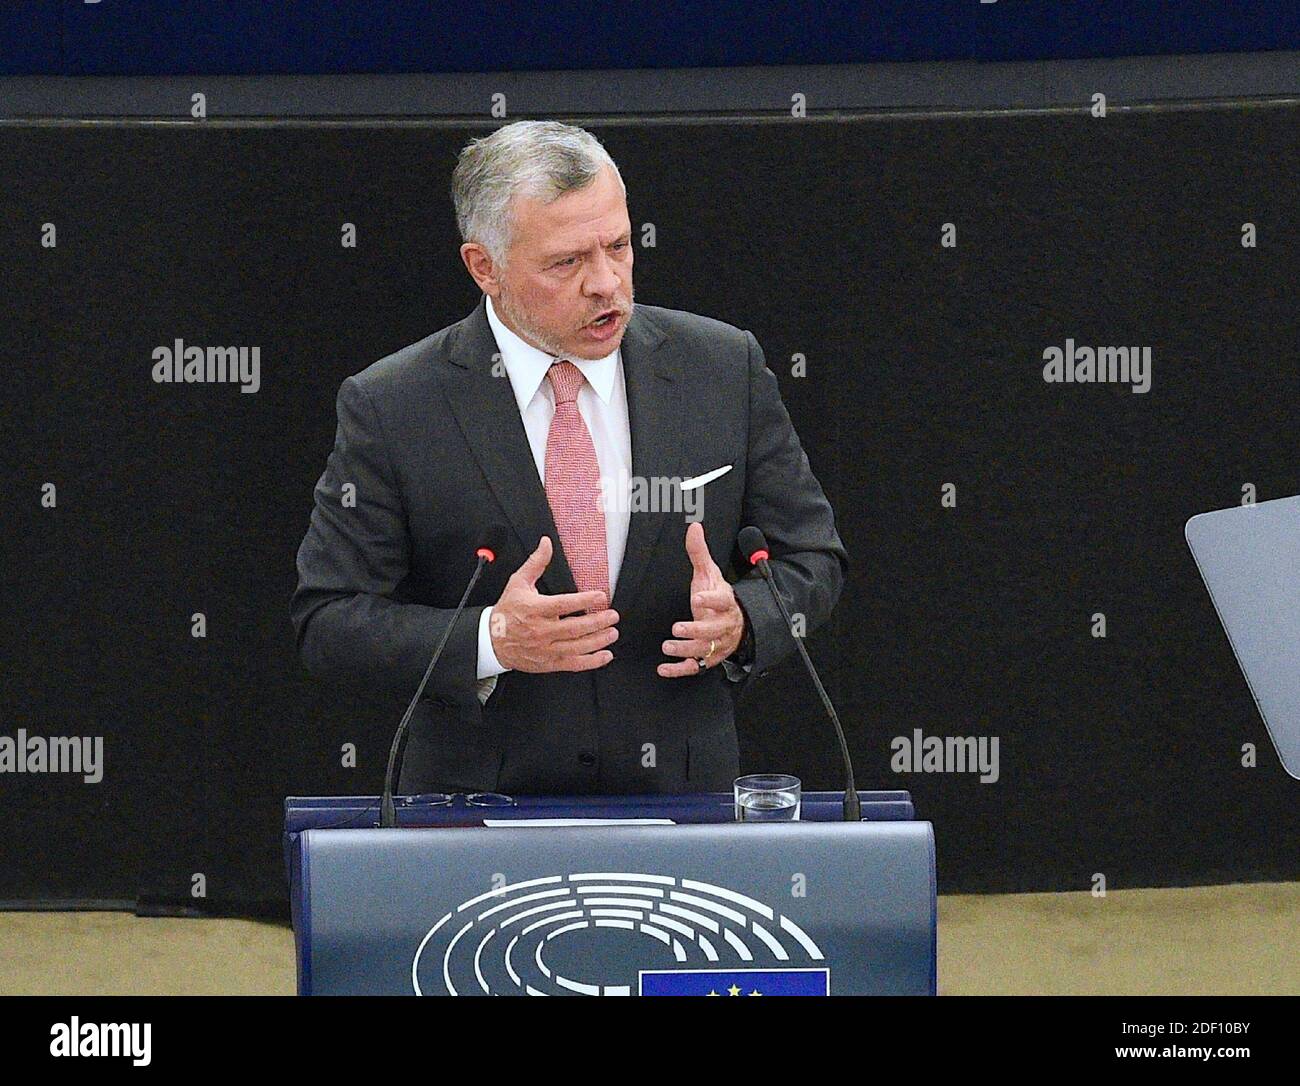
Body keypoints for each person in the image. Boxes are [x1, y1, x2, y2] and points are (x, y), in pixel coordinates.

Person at [291, 120, 846, 794]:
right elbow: (330, 621)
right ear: (484, 267)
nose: (605, 283)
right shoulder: (395, 404)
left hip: (679, 802)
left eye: (618, 246)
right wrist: (492, 639)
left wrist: (745, 621)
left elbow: (812, 558)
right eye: (566, 263)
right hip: (476, 808)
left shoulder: (725, 369)